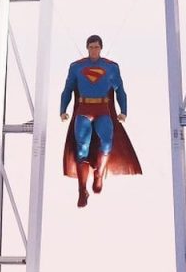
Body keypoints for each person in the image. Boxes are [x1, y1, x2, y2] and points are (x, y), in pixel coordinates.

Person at [60, 35, 142, 208]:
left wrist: (124, 111)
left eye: (96, 47)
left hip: (103, 109)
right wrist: (63, 110)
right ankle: (82, 189)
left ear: (101, 48)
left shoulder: (111, 67)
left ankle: (99, 174)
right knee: (81, 147)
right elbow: (67, 89)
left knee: (106, 141)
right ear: (87, 48)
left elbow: (120, 91)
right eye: (91, 47)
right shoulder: (77, 67)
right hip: (84, 109)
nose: (94, 50)